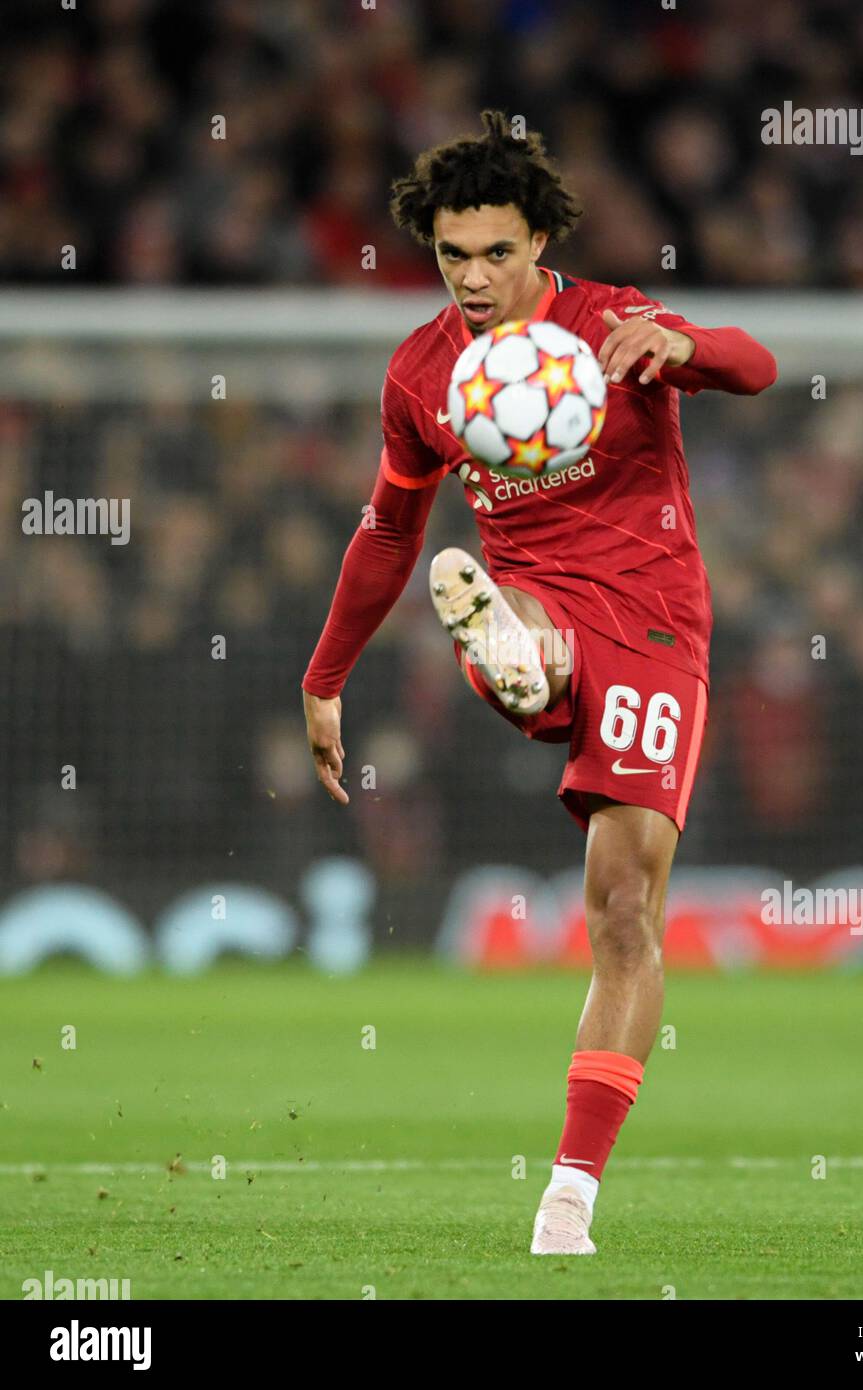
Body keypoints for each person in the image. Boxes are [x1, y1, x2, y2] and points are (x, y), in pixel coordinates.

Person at [301, 110, 776, 1255]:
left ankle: (569, 1191)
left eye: (496, 252)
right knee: (506, 613)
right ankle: (522, 662)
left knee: (622, 912)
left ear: (537, 242)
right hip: (538, 600)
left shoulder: (611, 321)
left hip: (656, 626)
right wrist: (324, 677)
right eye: (452, 254)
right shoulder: (421, 374)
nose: (473, 277)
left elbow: (755, 364)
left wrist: (683, 344)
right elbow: (384, 535)